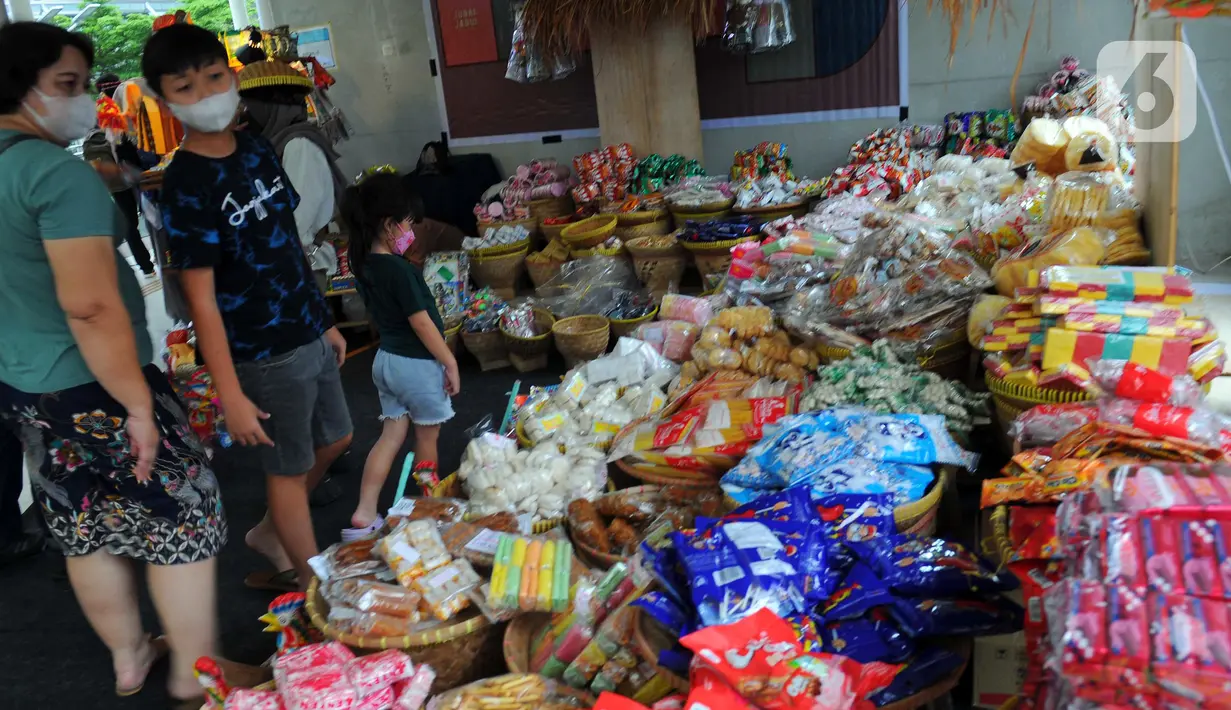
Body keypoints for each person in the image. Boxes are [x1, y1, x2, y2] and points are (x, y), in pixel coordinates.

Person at [0, 22, 225, 703]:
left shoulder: (25, 167)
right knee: (184, 509)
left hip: (22, 383)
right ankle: (194, 671)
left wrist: (103, 178)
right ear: (20, 86)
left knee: (82, 520)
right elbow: (92, 307)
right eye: (66, 85)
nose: (78, 101)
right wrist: (136, 406)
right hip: (95, 381)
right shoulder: (54, 176)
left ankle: (130, 658)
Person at [142, 24, 353, 593]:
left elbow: (288, 240)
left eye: (214, 77)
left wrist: (324, 319)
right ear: (163, 102)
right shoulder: (185, 181)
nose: (206, 93)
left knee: (337, 439)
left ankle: (268, 531)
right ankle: (317, 591)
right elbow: (202, 300)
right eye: (185, 87)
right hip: (261, 352)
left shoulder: (259, 148)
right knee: (287, 473)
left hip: (306, 327)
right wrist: (228, 391)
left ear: (233, 78)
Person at [339, 173, 460, 536]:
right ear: (389, 225)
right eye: (407, 222)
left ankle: (364, 512)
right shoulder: (399, 271)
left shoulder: (363, 263)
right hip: (418, 367)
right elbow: (422, 324)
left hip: (386, 362)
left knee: (389, 436)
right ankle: (428, 508)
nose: (411, 229)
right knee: (426, 438)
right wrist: (450, 361)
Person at [238, 59, 346, 294]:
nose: (245, 114)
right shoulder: (276, 144)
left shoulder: (298, 146)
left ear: (269, 108)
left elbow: (297, 220)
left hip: (304, 266)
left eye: (249, 107)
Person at [82, 70, 157, 276]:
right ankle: (162, 256)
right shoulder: (130, 103)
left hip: (116, 177)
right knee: (153, 213)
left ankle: (146, 266)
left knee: (129, 223)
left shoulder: (97, 113)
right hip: (140, 170)